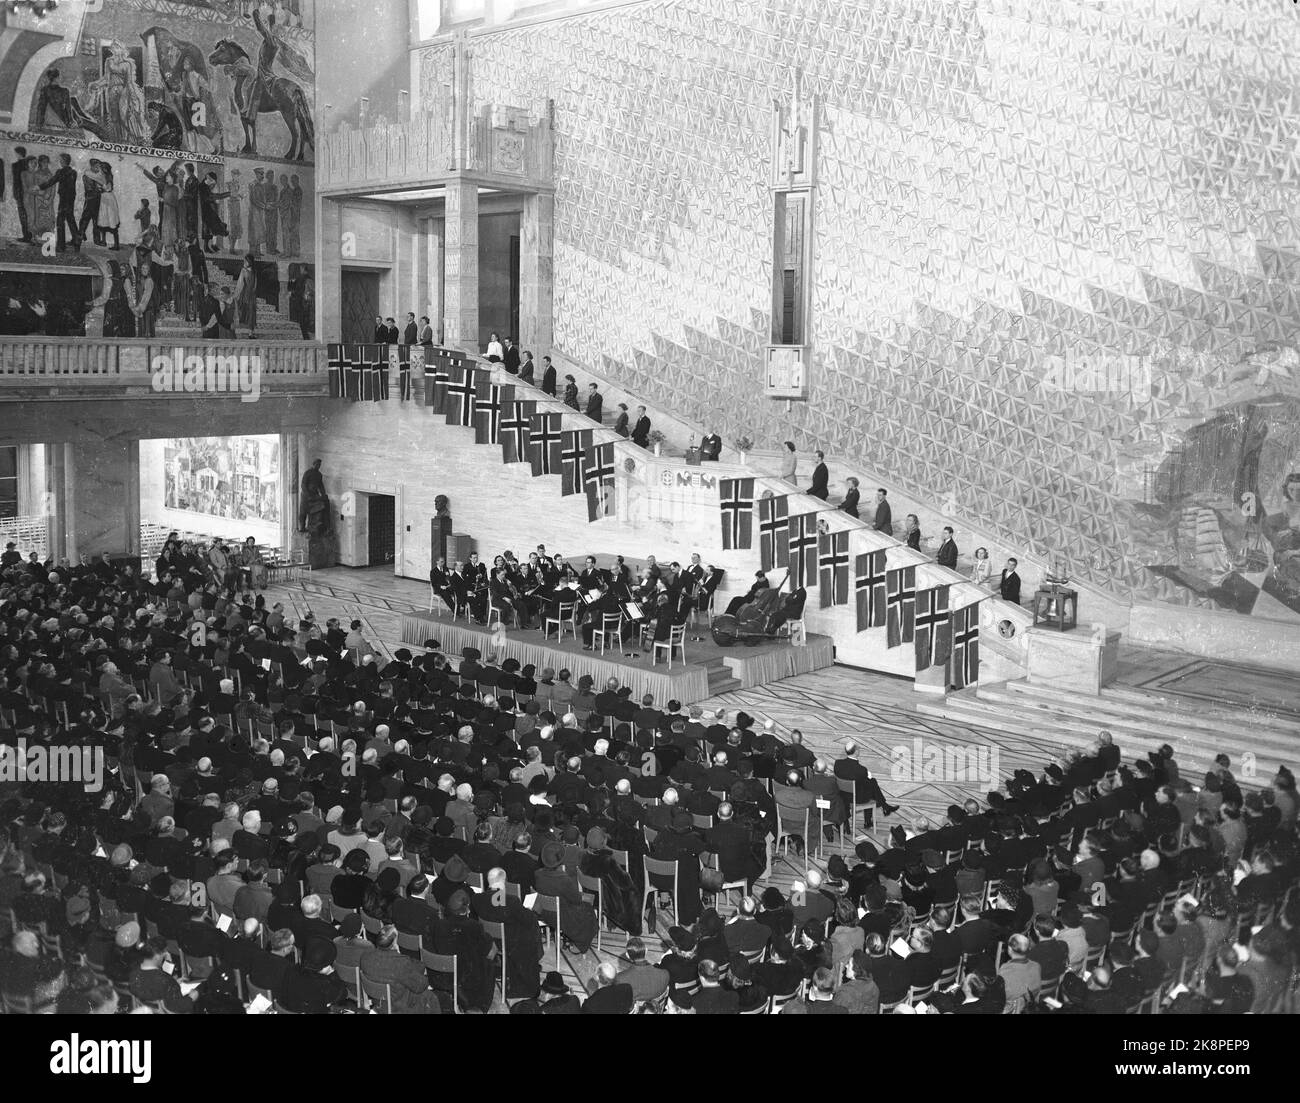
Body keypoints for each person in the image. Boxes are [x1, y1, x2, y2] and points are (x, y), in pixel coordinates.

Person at [39, 152, 80, 252]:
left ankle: (61, 246)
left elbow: (51, 181)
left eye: (60, 160)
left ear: (62, 161)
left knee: (60, 221)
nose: (59, 162)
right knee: (70, 219)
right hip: (71, 198)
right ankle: (77, 241)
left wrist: (40, 186)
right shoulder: (73, 172)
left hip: (64, 199)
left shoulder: (60, 172)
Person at [233, 254, 258, 337]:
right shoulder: (254, 271)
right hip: (251, 294)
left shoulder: (244, 271)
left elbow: (240, 284)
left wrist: (236, 294)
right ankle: (250, 332)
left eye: (245, 261)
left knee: (247, 311)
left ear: (249, 262)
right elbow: (255, 285)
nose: (244, 262)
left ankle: (249, 331)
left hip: (246, 293)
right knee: (250, 312)